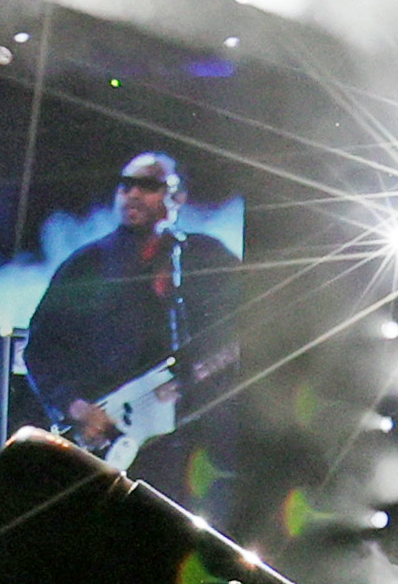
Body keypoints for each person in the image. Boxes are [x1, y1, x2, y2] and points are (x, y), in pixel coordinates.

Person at [24, 152, 243, 519]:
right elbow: (41, 349)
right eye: (126, 185)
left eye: (149, 186)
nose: (133, 195)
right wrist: (76, 407)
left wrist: (210, 370)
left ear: (178, 197)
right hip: (113, 438)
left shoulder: (205, 257)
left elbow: (248, 324)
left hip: (194, 442)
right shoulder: (87, 265)